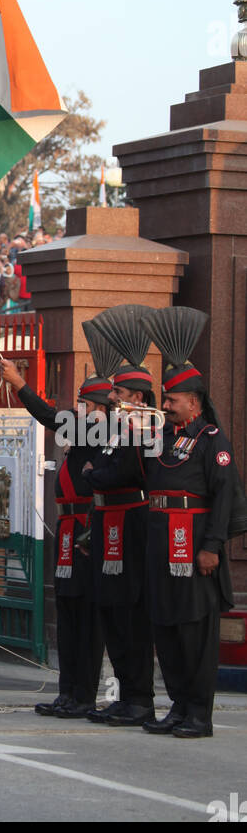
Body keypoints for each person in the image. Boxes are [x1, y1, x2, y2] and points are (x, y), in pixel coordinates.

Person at [141, 307, 241, 738]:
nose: (165, 405)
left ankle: (199, 713)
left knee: (195, 633)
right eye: (164, 399)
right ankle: (179, 706)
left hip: (194, 544)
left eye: (172, 400)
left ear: (194, 402)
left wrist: (212, 546)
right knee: (166, 627)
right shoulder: (165, 436)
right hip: (162, 544)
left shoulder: (212, 441)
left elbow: (226, 497)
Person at [1, 334, 108, 719]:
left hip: (86, 528)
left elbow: (49, 416)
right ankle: (67, 692)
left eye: (86, 403)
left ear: (100, 407)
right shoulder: (85, 432)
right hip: (67, 526)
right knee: (66, 611)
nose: (80, 410)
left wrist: (19, 384)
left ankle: (84, 694)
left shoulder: (102, 431)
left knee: (86, 617)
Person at [79, 306, 156, 727]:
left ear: (138, 399)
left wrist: (97, 475)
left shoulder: (144, 428)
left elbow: (119, 472)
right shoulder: (118, 429)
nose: (113, 399)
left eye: (120, 394)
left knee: (130, 614)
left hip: (131, 528)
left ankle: (140, 697)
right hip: (109, 525)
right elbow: (100, 472)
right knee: (112, 612)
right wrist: (97, 475)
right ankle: (128, 694)